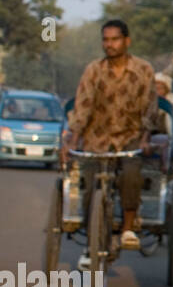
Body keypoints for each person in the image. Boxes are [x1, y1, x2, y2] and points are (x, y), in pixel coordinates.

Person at [63, 19, 159, 267]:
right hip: (97, 140)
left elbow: (150, 107)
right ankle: (90, 242)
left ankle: (128, 228)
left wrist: (146, 138)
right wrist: (73, 140)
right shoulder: (93, 70)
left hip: (130, 138)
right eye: (105, 40)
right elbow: (82, 105)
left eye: (115, 39)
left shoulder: (143, 70)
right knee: (89, 185)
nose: (110, 45)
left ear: (126, 41)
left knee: (131, 175)